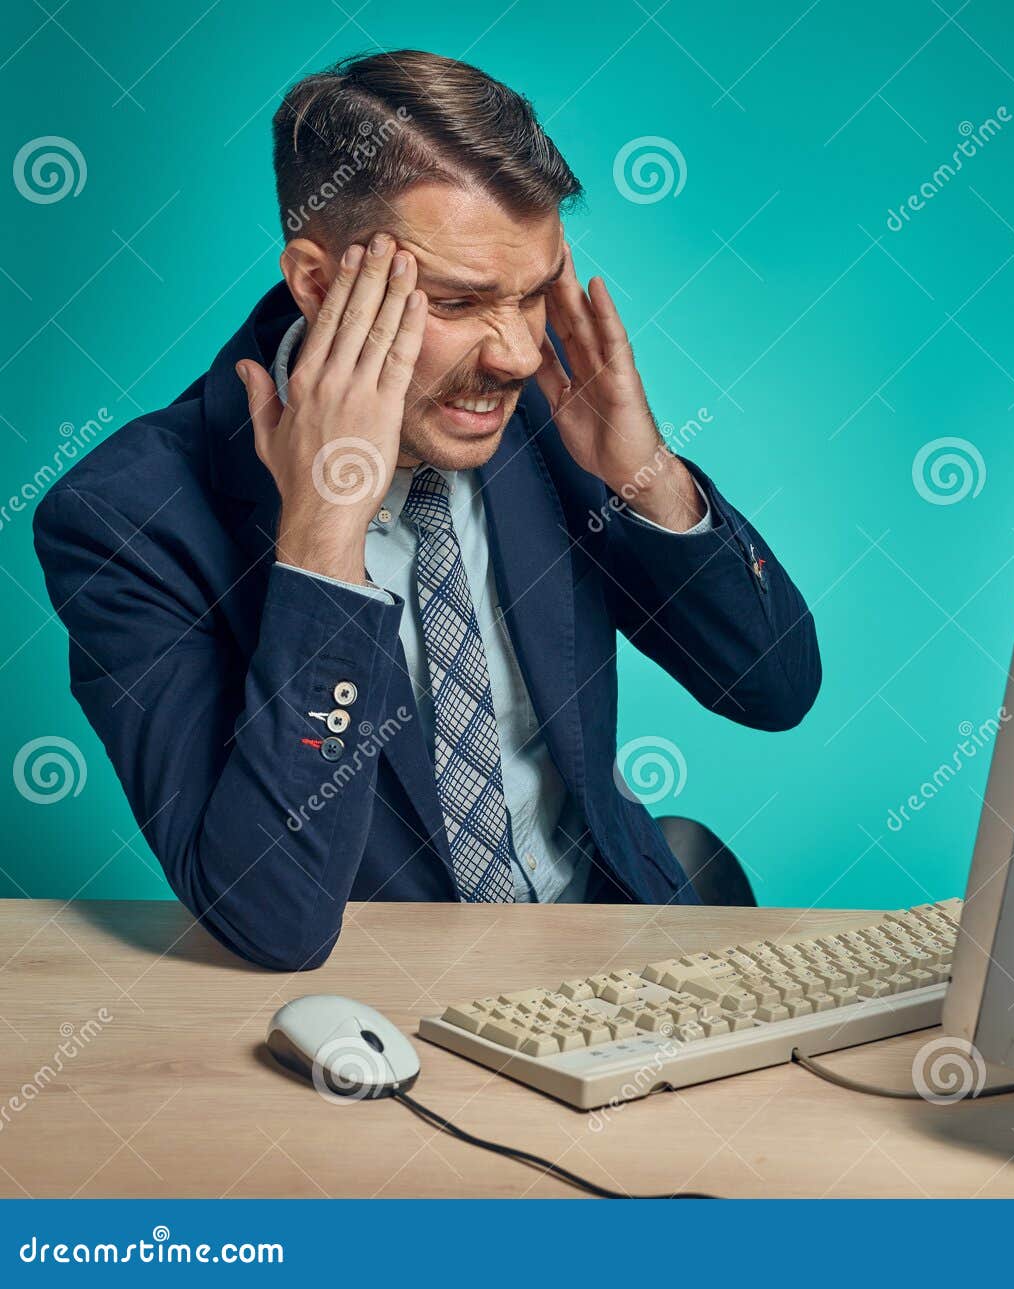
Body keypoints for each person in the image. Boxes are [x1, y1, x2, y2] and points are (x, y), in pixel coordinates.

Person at [33, 50, 821, 971]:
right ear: (320, 284)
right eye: (458, 300)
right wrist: (323, 538)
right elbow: (266, 918)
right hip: (379, 1012)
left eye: (533, 293)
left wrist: (641, 472)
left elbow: (772, 689)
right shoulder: (124, 520)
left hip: (616, 950)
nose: (520, 353)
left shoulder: (540, 409)